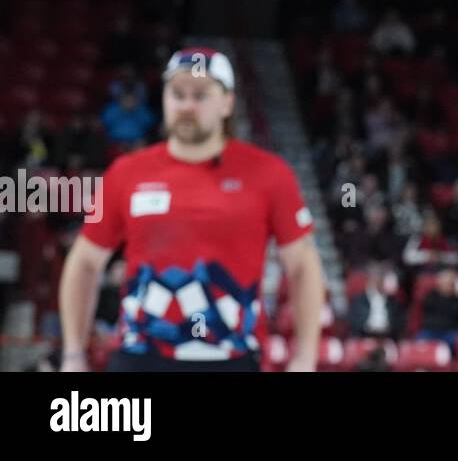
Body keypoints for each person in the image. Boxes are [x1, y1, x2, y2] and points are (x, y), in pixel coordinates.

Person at [59, 48, 324, 371]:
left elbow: (303, 266)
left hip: (233, 357)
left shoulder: (269, 173)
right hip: (140, 357)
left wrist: (306, 358)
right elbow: (85, 261)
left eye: (200, 95)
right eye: (177, 93)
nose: (186, 105)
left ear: (227, 102)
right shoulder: (126, 173)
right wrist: (73, 355)